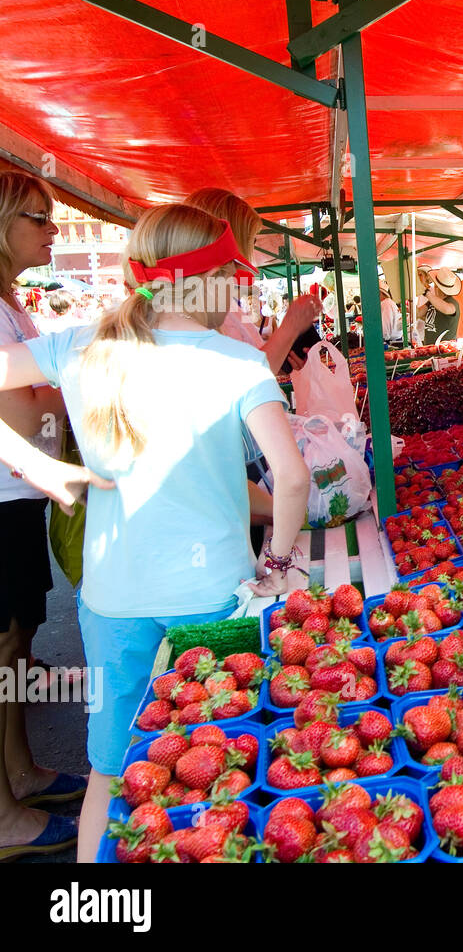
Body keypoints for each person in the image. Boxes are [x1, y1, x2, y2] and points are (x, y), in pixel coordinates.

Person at [0, 203, 311, 860]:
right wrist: (279, 565)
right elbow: (291, 479)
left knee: (110, 773)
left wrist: (34, 465)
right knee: (222, 772)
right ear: (214, 277)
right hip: (214, 601)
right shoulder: (233, 360)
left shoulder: (80, 343)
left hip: (111, 600)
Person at [0, 169, 80, 859]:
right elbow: (22, 412)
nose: (53, 230)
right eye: (41, 218)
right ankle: (3, 816)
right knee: (1, 645)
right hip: (2, 498)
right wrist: (78, 397)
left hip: (17, 496)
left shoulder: (14, 306)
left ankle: (20, 772)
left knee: (19, 638)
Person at [182, 188, 319, 375]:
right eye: (251, 240)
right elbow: (244, 377)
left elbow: (248, 363)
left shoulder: (218, 302)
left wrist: (281, 360)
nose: (250, 251)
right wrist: (291, 326)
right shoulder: (197, 308)